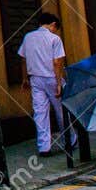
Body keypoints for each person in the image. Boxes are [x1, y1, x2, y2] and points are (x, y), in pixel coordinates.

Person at [18, 12, 73, 155]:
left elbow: (23, 59)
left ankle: (44, 147)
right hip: (51, 77)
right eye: (56, 28)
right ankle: (69, 140)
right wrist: (59, 82)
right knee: (61, 111)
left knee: (40, 112)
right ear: (53, 24)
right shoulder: (55, 39)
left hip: (35, 78)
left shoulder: (28, 37)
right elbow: (57, 62)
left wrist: (24, 78)